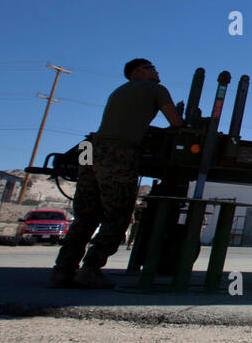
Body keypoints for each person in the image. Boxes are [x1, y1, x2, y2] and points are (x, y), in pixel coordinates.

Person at [49, 58, 182, 288]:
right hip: (118, 152)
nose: (157, 71)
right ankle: (91, 268)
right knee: (118, 213)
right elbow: (176, 122)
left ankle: (63, 270)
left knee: (86, 215)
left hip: (90, 149)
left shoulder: (119, 91)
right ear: (137, 72)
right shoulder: (156, 90)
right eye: (151, 68)